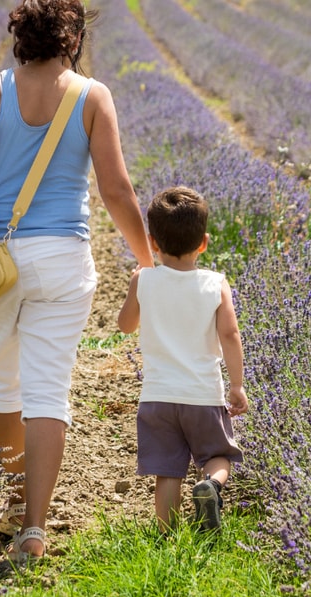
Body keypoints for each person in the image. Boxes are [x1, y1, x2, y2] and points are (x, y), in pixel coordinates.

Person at [0, 0, 154, 563]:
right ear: (71, 39)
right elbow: (117, 192)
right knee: (48, 391)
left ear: (17, 37)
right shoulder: (92, 96)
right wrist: (146, 260)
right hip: (62, 259)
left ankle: (11, 495)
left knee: (2, 385)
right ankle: (34, 526)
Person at [117, 186, 247, 532]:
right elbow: (230, 336)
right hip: (202, 394)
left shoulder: (144, 280)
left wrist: (136, 287)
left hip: (157, 397)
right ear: (203, 243)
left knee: (168, 469)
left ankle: (166, 536)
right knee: (218, 455)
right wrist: (237, 385)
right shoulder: (215, 284)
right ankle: (211, 486)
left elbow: (125, 326)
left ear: (153, 242)